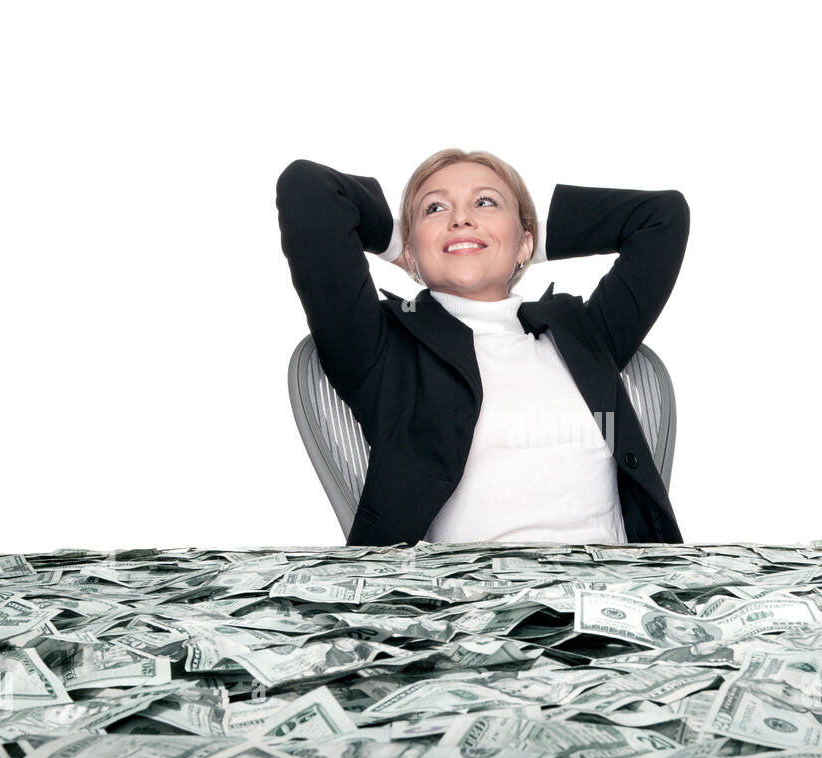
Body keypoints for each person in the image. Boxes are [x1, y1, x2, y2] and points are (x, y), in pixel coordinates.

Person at [276, 150, 689, 546]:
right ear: (411, 250)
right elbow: (307, 188)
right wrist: (399, 244)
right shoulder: (383, 350)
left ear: (527, 243)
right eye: (435, 209)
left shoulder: (587, 335)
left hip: (608, 595)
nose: (461, 218)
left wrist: (520, 239)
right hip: (467, 609)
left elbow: (662, 216)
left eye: (485, 202)